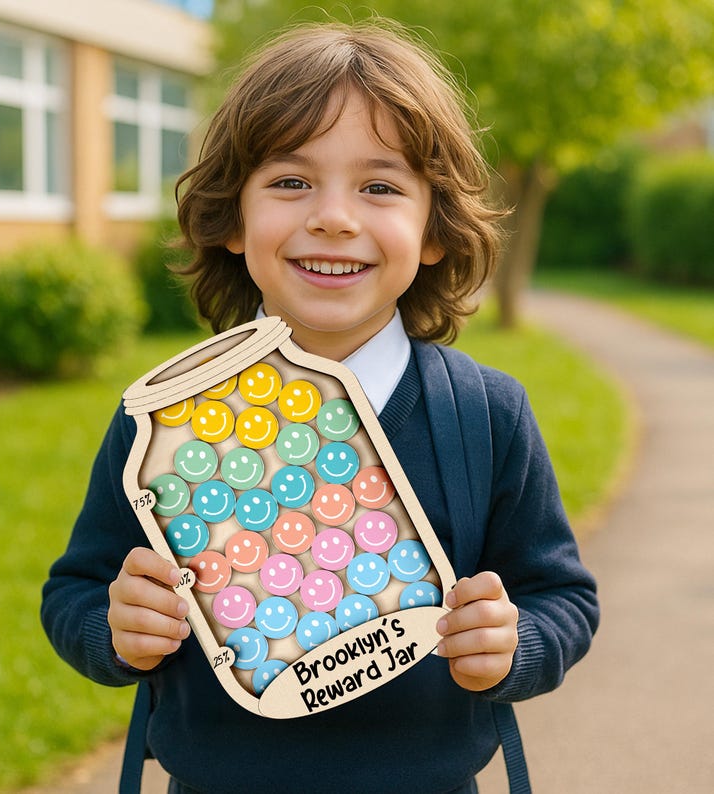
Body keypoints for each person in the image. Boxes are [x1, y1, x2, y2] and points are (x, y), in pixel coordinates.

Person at [42, 19, 598, 794]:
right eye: (291, 181)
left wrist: (518, 643)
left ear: (432, 230)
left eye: (379, 186)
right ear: (234, 219)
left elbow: (561, 596)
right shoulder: (166, 426)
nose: (334, 216)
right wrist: (113, 629)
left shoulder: (485, 414)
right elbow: (76, 589)